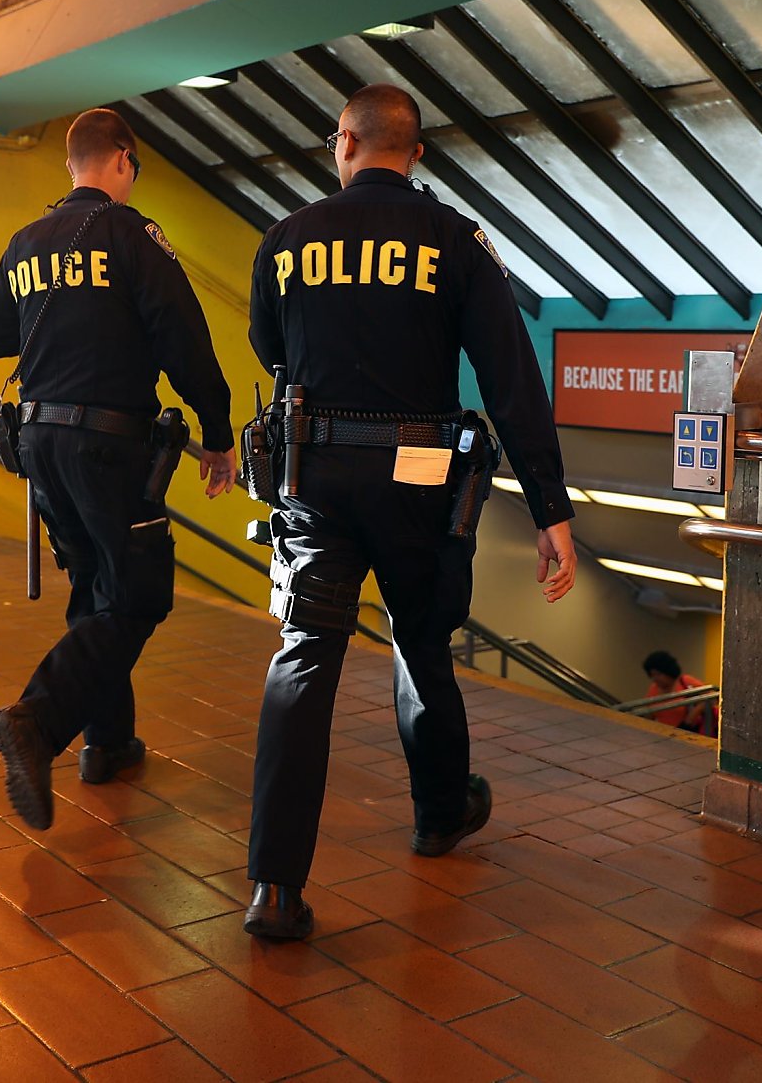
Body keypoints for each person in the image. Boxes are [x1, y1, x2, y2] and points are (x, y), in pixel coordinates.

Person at [241, 83, 578, 940]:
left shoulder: (286, 240)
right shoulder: (456, 241)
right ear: (416, 151)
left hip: (313, 475)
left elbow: (268, 347)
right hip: (420, 475)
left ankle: (275, 889)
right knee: (420, 638)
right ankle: (437, 813)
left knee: (305, 655)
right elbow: (510, 378)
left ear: (342, 141)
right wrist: (551, 508)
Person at [0, 108, 236, 829]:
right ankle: (38, 719)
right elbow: (184, 338)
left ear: (70, 165)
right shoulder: (132, 233)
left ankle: (106, 743)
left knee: (95, 583)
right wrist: (218, 431)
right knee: (139, 597)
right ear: (122, 159)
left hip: (40, 445)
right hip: (110, 447)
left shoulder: (27, 241)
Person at [642, 649, 716, 736]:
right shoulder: (654, 688)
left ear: (668, 671)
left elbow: (712, 696)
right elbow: (649, 714)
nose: (655, 678)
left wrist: (692, 715)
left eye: (658, 674)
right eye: (652, 675)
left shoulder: (685, 681)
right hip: (663, 736)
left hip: (688, 734)